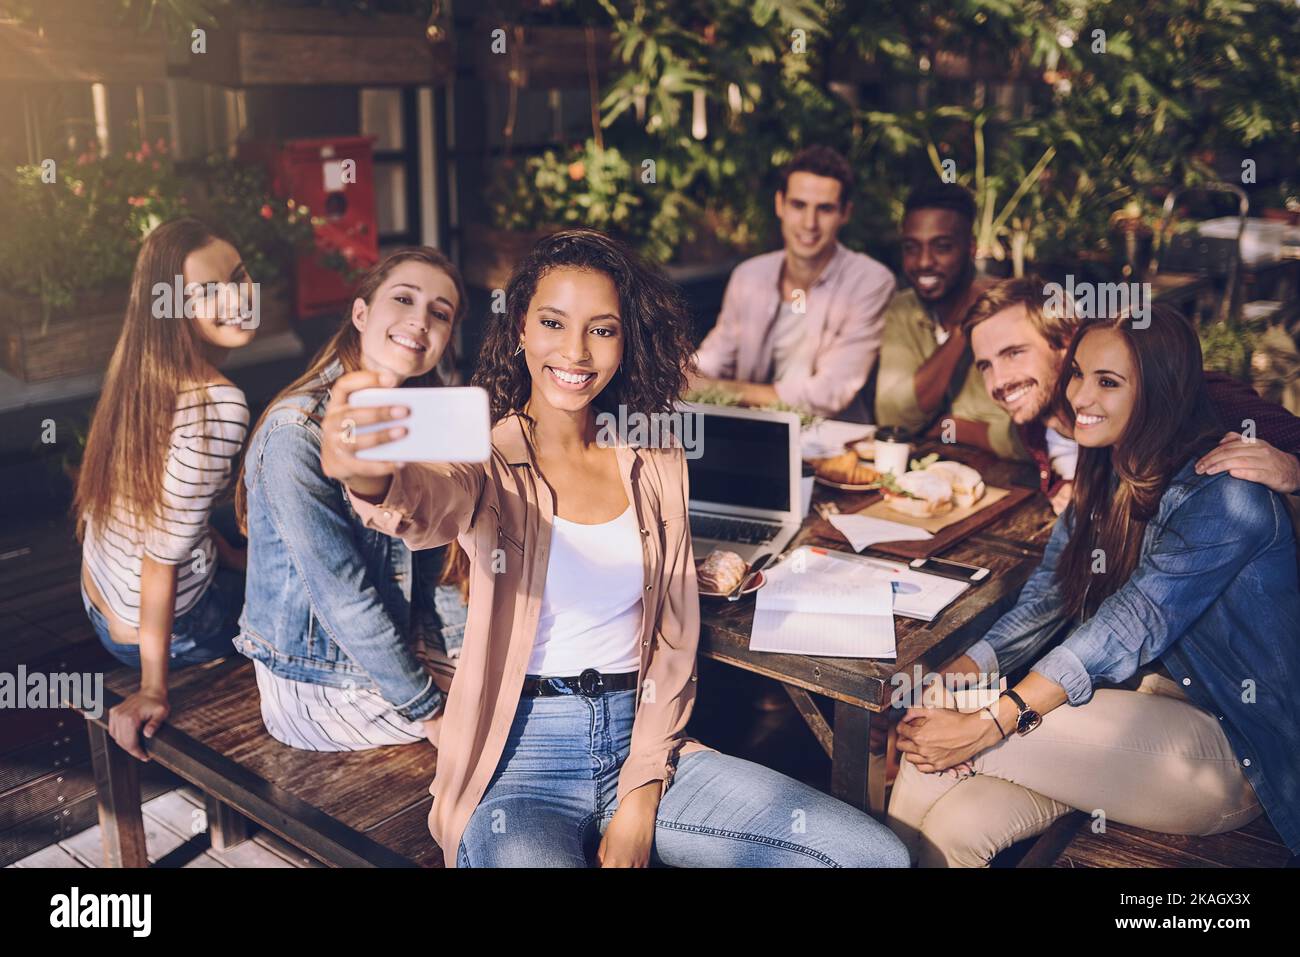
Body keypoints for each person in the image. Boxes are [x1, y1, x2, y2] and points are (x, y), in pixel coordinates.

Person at [320, 228, 910, 867]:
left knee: (871, 855)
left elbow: (674, 637)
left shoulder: (655, 457)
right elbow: (424, 503)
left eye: (602, 329)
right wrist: (367, 473)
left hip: (646, 737)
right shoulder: (488, 457)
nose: (575, 350)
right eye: (553, 322)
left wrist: (642, 792)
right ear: (519, 328)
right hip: (519, 761)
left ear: (626, 342)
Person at [885, 304, 1300, 866]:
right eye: (1078, 373)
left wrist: (990, 719)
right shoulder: (1107, 467)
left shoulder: (1225, 493)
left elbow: (1130, 623)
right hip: (1130, 712)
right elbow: (1051, 595)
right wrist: (961, 672)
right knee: (957, 824)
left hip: (1228, 750)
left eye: (1108, 381)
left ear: (1160, 390)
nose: (1080, 397)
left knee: (930, 732)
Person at [234, 248, 469, 750]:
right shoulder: (295, 433)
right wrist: (432, 714)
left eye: (439, 312)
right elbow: (344, 596)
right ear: (361, 314)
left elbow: (436, 568)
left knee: (527, 694)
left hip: (399, 643)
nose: (419, 320)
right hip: (318, 681)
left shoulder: (418, 417)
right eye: (403, 298)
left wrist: (470, 652)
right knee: (494, 737)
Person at [76, 217, 255, 761]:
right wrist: (153, 687)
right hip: (172, 631)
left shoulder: (139, 372)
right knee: (316, 559)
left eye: (240, 275)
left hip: (100, 601)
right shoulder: (219, 404)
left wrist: (224, 553)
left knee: (237, 522)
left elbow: (146, 514)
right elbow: (160, 556)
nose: (238, 297)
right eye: (208, 292)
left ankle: (227, 554)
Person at [964, 276, 1300, 514]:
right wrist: (1062, 488)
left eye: (1014, 353)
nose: (999, 382)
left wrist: (1292, 469)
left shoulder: (1199, 397)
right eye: (985, 366)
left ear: (1067, 342)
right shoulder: (1033, 417)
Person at [689, 145, 894, 420]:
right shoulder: (749, 275)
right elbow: (715, 357)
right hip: (751, 433)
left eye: (825, 209)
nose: (809, 223)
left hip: (828, 439)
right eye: (799, 205)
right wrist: (681, 374)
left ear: (845, 213)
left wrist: (723, 390)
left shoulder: (870, 280)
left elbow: (829, 393)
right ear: (779, 205)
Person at [873, 183, 1025, 458]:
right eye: (911, 248)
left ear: (970, 248)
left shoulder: (1007, 311)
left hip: (1018, 484)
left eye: (942, 247)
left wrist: (953, 427)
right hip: (929, 476)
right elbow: (892, 418)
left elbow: (1032, 435)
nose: (923, 262)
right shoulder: (903, 308)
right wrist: (959, 333)